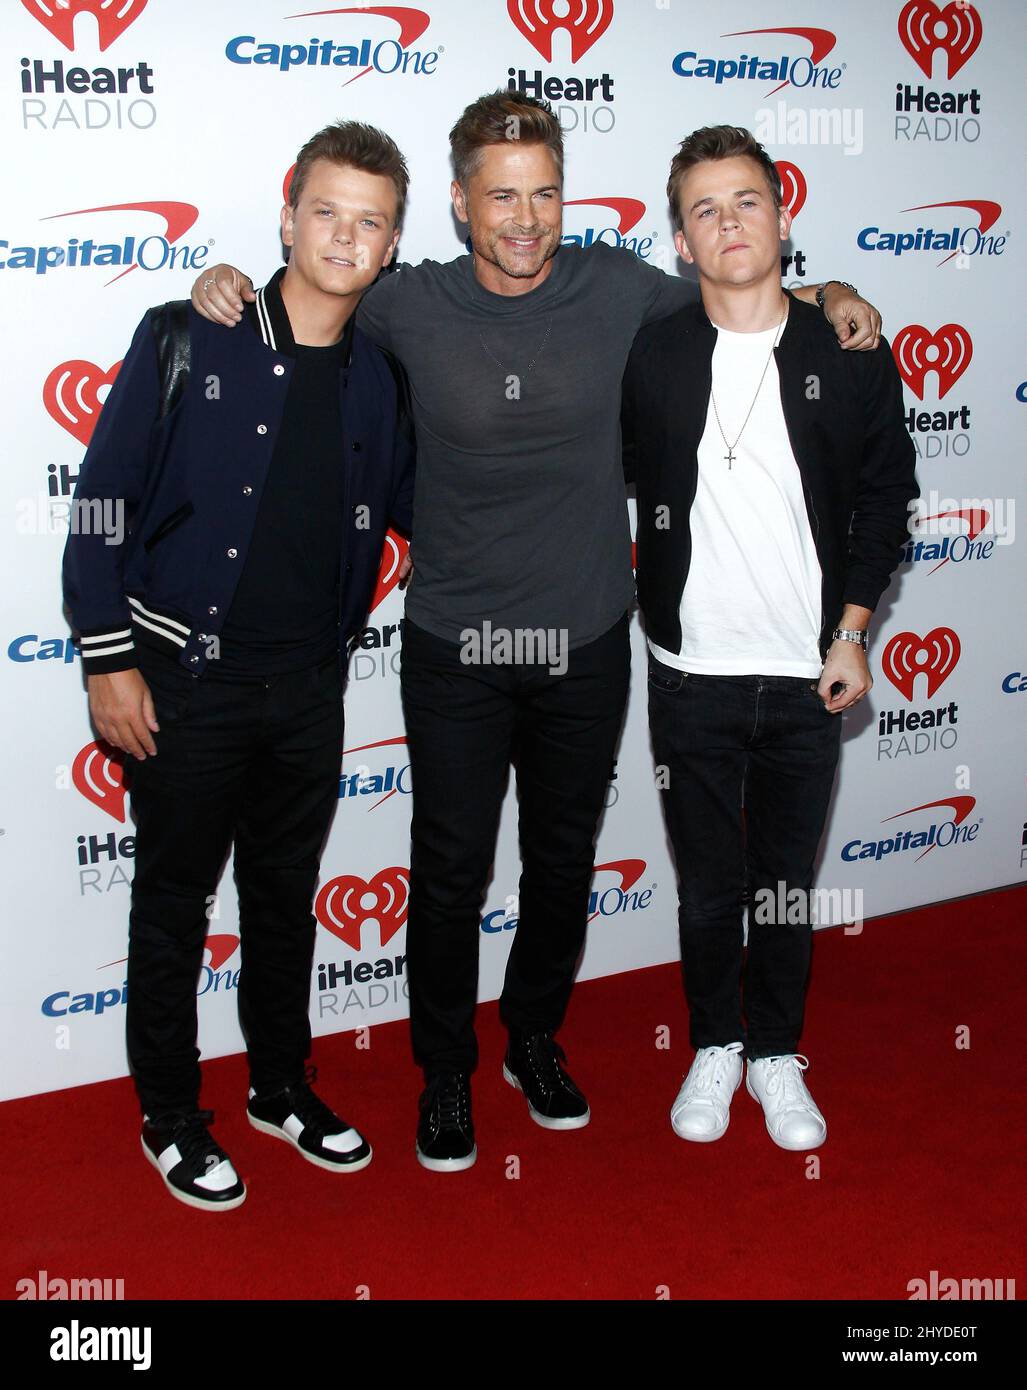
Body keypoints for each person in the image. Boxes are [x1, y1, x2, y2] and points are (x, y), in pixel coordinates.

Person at [191, 91, 883, 1172]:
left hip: (588, 641)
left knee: (562, 863)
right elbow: (306, 296)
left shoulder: (618, 289)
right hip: (455, 645)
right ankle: (446, 1074)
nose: (525, 217)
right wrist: (222, 284)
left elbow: (740, 287)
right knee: (451, 870)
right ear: (459, 205)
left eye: (545, 193)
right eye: (501, 196)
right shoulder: (403, 302)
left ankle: (533, 1041)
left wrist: (834, 290)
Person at [62, 121, 415, 1210]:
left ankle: (279, 1086)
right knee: (172, 907)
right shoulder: (187, 334)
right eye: (327, 212)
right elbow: (102, 506)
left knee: (282, 899)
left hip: (307, 686)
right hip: (182, 685)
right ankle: (170, 1117)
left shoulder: (383, 377)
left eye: (370, 221)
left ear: (393, 244)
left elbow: (414, 515)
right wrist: (107, 660)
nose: (345, 238)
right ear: (286, 214)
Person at [622, 125, 918, 1150]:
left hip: (808, 672)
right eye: (704, 209)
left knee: (785, 879)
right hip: (688, 670)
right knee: (707, 884)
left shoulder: (846, 346)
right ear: (679, 238)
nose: (728, 223)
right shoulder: (652, 349)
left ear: (782, 218)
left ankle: (776, 1053)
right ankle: (713, 1042)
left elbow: (887, 499)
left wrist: (851, 632)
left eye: (746, 201)